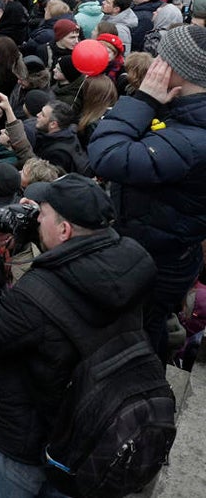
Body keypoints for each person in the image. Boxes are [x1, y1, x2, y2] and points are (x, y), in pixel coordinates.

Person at [0, 175, 156, 498]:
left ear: (64, 230)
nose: (37, 219)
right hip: (82, 434)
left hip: (20, 440)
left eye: (43, 215)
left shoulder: (37, 296)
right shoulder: (133, 260)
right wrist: (44, 224)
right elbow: (76, 268)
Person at [88, 24, 206, 357]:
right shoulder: (188, 116)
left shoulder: (191, 141)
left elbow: (108, 156)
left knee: (137, 335)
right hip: (163, 249)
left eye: (160, 59)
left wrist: (143, 100)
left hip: (155, 262)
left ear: (174, 70)